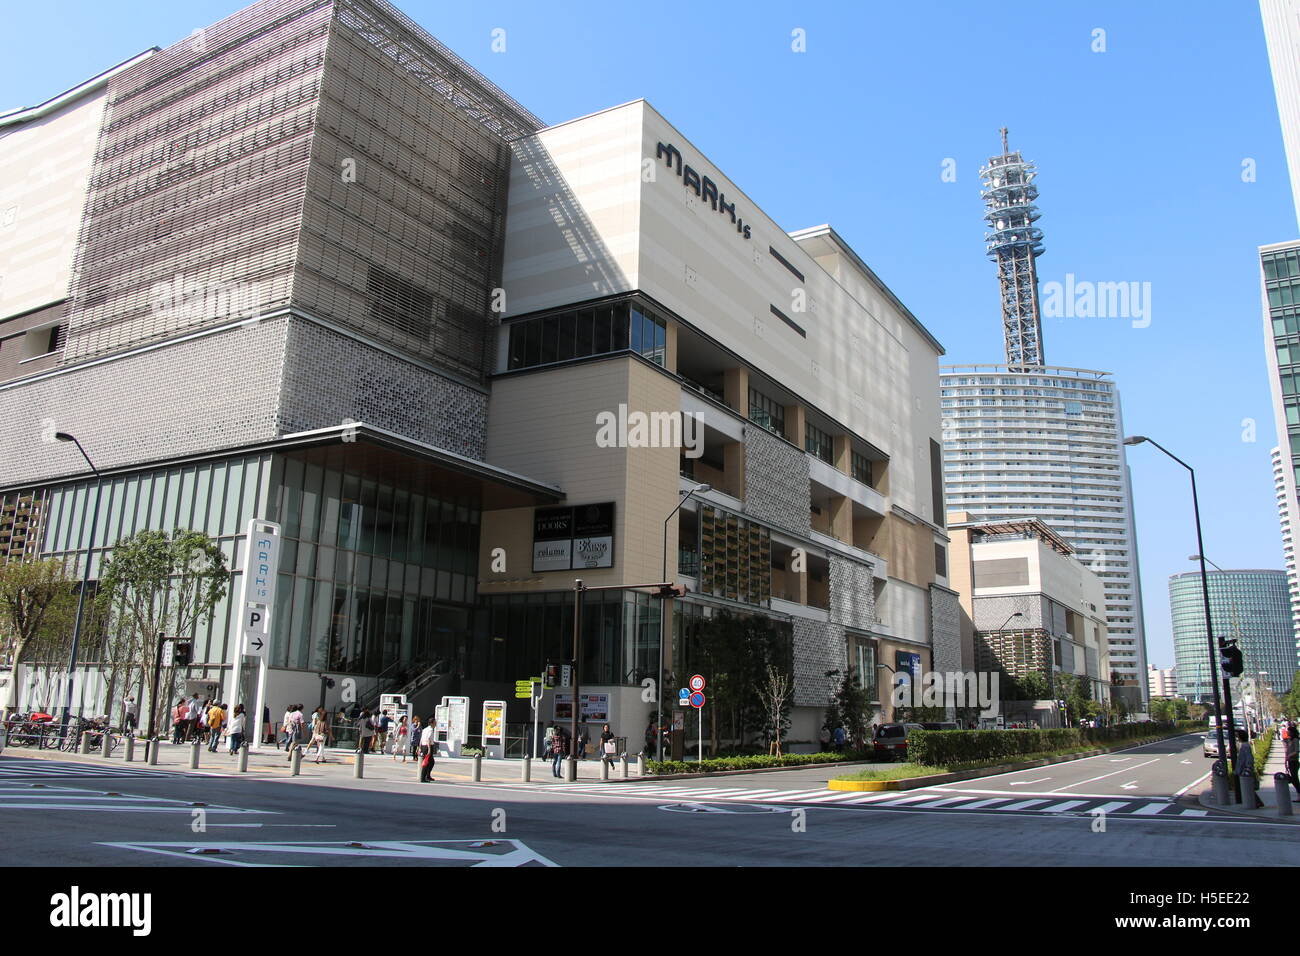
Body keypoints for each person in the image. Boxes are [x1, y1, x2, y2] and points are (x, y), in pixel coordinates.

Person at [1235, 729, 1264, 809]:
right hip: (1244, 768)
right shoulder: (1245, 745)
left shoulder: (1245, 746)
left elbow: (1248, 757)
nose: (1237, 737)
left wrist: (1248, 767)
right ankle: (1257, 802)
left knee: (1247, 787)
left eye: (1238, 736)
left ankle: (1256, 802)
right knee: (1248, 786)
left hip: (1244, 768)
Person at [418, 716, 436, 782]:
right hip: (428, 746)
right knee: (426, 762)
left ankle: (427, 776)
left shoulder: (425, 729)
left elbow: (421, 739)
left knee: (430, 762)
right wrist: (429, 749)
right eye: (435, 723)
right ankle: (423, 778)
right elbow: (428, 739)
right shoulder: (430, 730)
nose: (435, 724)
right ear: (431, 723)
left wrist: (419, 748)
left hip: (423, 745)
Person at [1286, 722, 1300, 801]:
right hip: (1290, 761)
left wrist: (1290, 755)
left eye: (1289, 731)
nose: (1287, 732)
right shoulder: (1289, 740)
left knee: (1294, 779)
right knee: (1294, 779)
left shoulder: (1295, 740)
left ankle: (1299, 794)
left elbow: (1297, 751)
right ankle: (1298, 794)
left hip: (1294, 761)